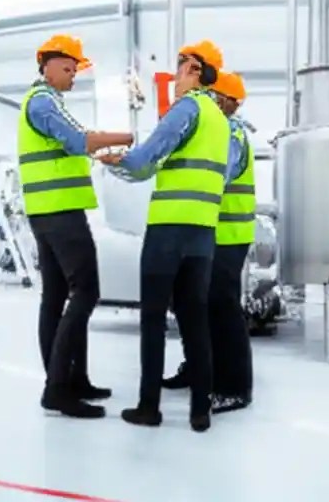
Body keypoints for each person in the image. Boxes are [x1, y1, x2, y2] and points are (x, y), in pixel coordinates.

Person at [100, 40, 233, 433]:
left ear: (193, 68)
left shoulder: (186, 109)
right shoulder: (221, 122)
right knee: (195, 321)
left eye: (178, 69)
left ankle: (148, 407)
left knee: (154, 318)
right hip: (203, 233)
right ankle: (200, 412)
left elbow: (144, 160)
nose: (174, 78)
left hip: (168, 231)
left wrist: (114, 162)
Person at [19, 34, 134, 419]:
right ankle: (57, 388)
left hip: (47, 210)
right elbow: (75, 140)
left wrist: (105, 153)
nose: (72, 76)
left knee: (56, 296)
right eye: (68, 69)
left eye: (75, 70)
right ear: (47, 65)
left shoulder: (46, 102)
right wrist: (133, 137)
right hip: (60, 212)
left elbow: (72, 146)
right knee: (85, 291)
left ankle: (74, 380)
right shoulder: (43, 101)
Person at [163, 71, 254, 414]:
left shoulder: (231, 134)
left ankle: (234, 387)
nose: (210, 104)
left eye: (217, 98)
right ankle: (197, 367)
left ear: (231, 103)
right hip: (203, 232)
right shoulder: (214, 129)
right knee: (190, 303)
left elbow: (218, 174)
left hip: (228, 236)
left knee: (221, 305)